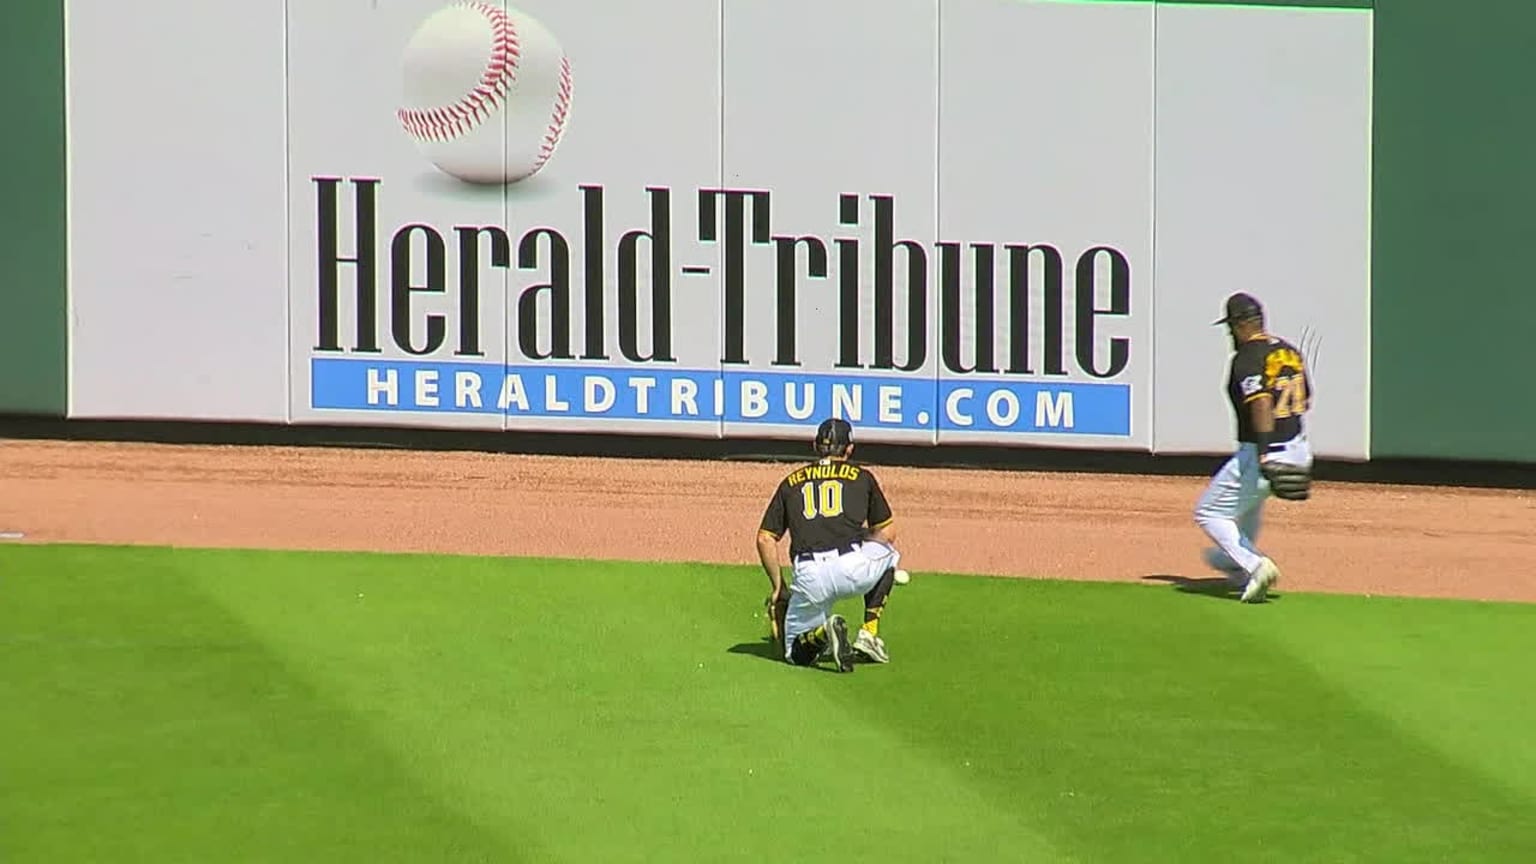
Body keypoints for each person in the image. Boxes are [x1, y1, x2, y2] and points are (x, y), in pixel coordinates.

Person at [1195, 292, 1315, 603]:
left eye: (1230, 327)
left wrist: (1264, 450)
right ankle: (1237, 567)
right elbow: (1306, 398)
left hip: (1264, 449)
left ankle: (1254, 564)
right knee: (1246, 505)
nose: (1229, 334)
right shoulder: (1289, 352)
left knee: (1209, 513)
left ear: (1238, 325)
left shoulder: (1247, 358)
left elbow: (1261, 403)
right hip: (1298, 447)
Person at [755, 417, 901, 671]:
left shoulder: (791, 482)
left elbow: (765, 538)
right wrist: (862, 535)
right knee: (889, 554)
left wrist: (779, 587)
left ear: (815, 446)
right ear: (849, 449)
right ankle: (868, 633)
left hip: (810, 577)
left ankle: (822, 632)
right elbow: (887, 533)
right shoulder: (862, 477)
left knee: (795, 653)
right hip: (852, 569)